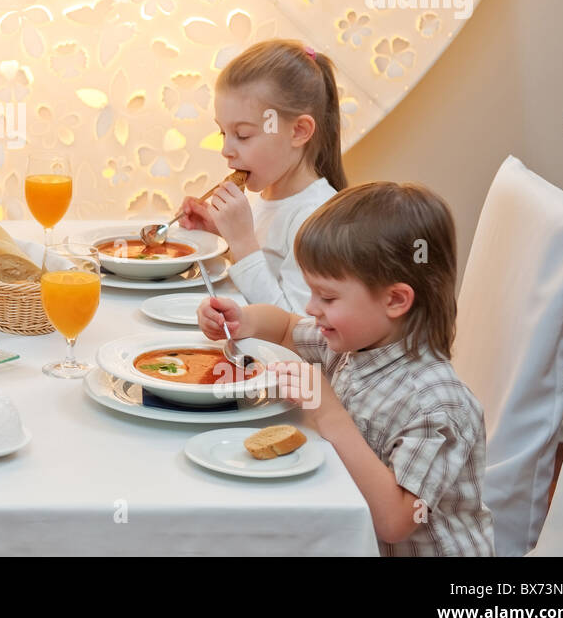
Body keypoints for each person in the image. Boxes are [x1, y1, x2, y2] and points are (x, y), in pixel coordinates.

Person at [198, 182, 495, 556]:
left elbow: (395, 522)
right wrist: (244, 320)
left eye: (328, 297)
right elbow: (287, 328)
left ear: (395, 300)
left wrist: (328, 412)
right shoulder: (355, 342)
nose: (310, 308)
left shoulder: (437, 405)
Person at [177, 39, 346, 314]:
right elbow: (259, 275)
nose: (226, 150)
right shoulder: (271, 194)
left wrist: (243, 242)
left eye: (243, 135)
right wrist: (221, 233)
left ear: (299, 131)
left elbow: (299, 330)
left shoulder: (318, 218)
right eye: (223, 133)